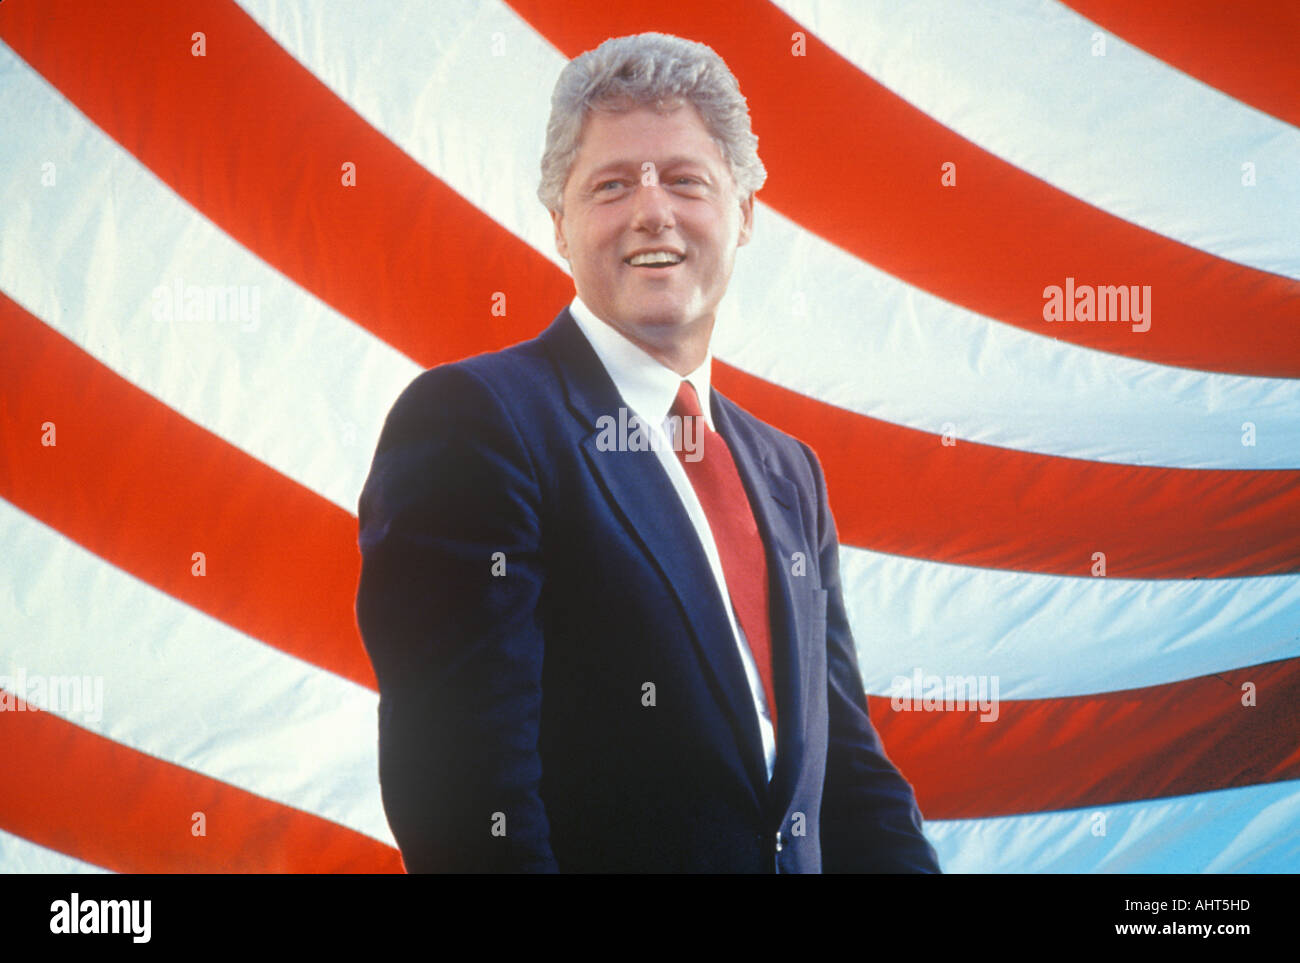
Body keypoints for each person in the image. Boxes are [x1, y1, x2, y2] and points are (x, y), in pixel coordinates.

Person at [356, 32, 940, 873]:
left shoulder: (789, 474)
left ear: (744, 215)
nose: (651, 210)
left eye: (685, 179)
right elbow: (465, 802)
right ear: (560, 226)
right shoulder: (476, 423)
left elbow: (847, 773)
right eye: (612, 184)